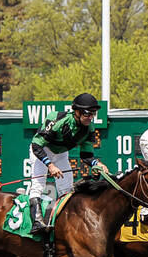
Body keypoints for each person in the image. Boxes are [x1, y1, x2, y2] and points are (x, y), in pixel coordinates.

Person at [28, 93, 100, 235]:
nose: (90, 117)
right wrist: (50, 165)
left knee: (67, 190)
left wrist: (97, 164)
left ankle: (65, 222)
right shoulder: (57, 119)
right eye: (87, 114)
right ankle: (36, 223)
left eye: (93, 114)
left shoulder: (89, 129)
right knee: (38, 185)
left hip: (61, 154)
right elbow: (36, 145)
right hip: (42, 150)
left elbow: (86, 156)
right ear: (77, 112)